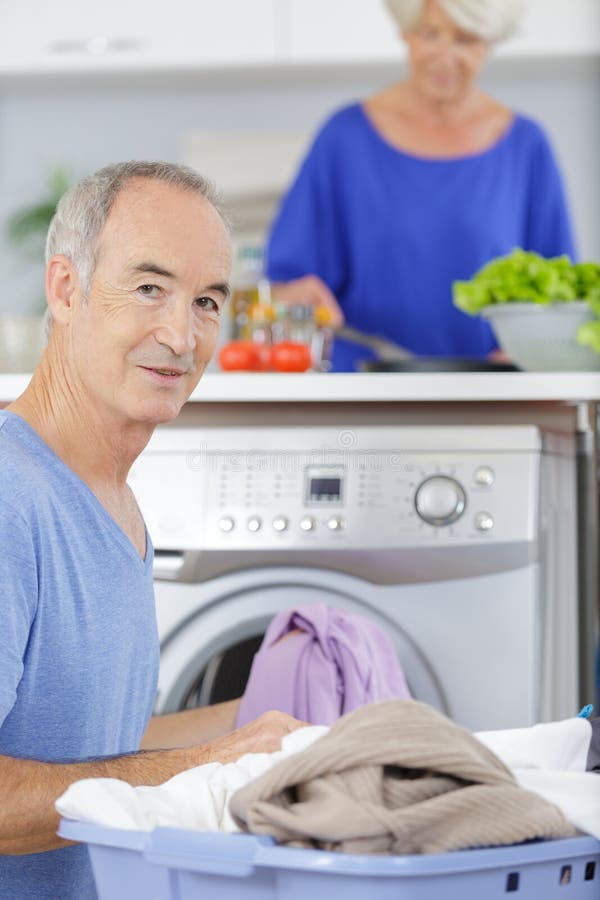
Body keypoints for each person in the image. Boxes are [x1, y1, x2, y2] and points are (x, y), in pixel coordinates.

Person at [0, 161, 302, 900]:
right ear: (65, 288)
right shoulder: (10, 496)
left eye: (205, 301)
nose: (180, 334)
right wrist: (215, 762)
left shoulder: (116, 507)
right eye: (148, 289)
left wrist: (257, 723)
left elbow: (90, 751)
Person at [266, 0, 576, 371]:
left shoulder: (527, 146)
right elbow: (288, 281)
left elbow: (561, 296)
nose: (445, 57)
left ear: (489, 44)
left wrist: (534, 349)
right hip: (363, 389)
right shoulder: (343, 138)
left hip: (494, 394)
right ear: (407, 33)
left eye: (466, 39)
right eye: (431, 34)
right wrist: (294, 297)